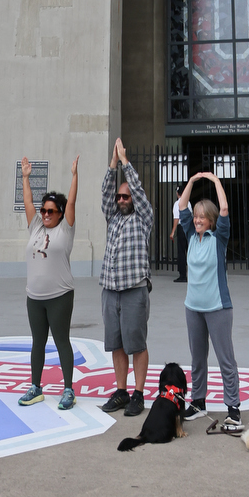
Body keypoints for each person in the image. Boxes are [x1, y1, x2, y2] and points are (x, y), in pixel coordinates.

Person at [176, 169, 242, 434]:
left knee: (226, 360)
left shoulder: (219, 239)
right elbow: (182, 205)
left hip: (218, 308)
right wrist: (192, 181)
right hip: (193, 307)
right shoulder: (191, 235)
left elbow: (224, 207)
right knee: (197, 359)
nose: (198, 219)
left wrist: (214, 181)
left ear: (211, 220)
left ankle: (234, 410)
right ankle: (198, 402)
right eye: (196, 216)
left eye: (203, 216)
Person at [99, 136, 154, 417]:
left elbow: (140, 195)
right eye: (119, 197)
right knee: (116, 343)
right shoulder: (113, 217)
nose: (121, 200)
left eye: (125, 196)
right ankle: (121, 391)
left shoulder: (143, 218)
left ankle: (138, 393)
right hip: (110, 290)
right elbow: (105, 195)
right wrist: (112, 165)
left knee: (136, 343)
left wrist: (125, 163)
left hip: (134, 290)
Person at [19, 154, 79, 410]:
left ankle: (68, 390)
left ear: (60, 213)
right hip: (35, 297)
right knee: (37, 342)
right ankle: (35, 387)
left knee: (61, 340)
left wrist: (75, 176)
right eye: (43, 210)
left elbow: (72, 200)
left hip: (59, 296)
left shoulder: (65, 229)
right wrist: (25, 177)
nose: (45, 213)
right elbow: (28, 201)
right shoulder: (35, 227)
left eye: (50, 211)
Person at [171, 183, 188, 284]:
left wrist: (173, 232)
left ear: (177, 193)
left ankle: (182, 275)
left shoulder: (177, 203)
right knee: (189, 251)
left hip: (181, 228)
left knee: (181, 252)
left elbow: (176, 219)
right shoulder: (188, 202)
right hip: (188, 228)